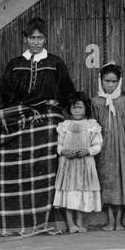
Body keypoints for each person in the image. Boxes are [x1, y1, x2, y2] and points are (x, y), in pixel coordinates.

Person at [93, 62, 125, 231]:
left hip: (123, 148)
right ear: (100, 81)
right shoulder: (96, 102)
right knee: (107, 181)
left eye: (114, 82)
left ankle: (119, 220)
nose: (110, 85)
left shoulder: (124, 101)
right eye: (106, 81)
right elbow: (94, 126)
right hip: (104, 148)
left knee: (121, 181)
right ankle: (110, 219)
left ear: (119, 82)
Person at [0, 17, 76, 113]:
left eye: (40, 38)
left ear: (45, 39)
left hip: (48, 113)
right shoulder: (14, 64)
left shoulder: (55, 63)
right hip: (19, 113)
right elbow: (4, 93)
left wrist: (59, 102)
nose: (36, 42)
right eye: (32, 38)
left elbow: (68, 91)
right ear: (25, 39)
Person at [54, 93, 103, 233]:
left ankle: (80, 222)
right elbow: (59, 145)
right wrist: (63, 151)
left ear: (86, 108)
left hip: (84, 164)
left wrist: (88, 151)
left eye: (79, 107)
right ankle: (70, 224)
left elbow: (98, 145)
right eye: (73, 108)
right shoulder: (64, 125)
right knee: (69, 194)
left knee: (81, 194)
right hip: (68, 165)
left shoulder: (91, 125)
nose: (76, 110)